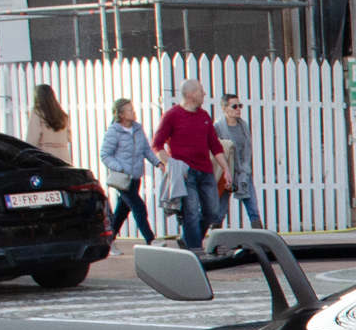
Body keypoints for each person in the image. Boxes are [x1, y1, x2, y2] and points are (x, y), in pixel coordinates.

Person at [153, 78, 225, 251]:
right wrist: (172, 166)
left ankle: (188, 240)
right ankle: (195, 251)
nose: (205, 94)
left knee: (213, 211)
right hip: (186, 173)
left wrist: (226, 170)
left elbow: (215, 145)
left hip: (205, 170)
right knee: (191, 213)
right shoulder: (171, 116)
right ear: (191, 94)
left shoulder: (204, 116)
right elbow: (157, 144)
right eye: (201, 91)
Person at [99, 98, 154, 243]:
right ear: (122, 114)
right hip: (123, 179)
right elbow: (105, 155)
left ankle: (108, 240)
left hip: (135, 178)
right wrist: (120, 168)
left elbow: (146, 149)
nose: (134, 112)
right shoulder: (114, 131)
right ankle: (150, 239)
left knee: (122, 211)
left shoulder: (137, 128)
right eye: (130, 110)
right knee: (139, 207)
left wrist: (158, 162)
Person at [216, 93, 262, 229]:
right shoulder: (217, 127)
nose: (238, 109)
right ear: (225, 109)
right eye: (234, 106)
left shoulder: (243, 126)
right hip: (226, 173)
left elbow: (247, 149)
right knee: (219, 211)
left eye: (240, 106)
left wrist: (245, 169)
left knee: (253, 208)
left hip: (243, 171)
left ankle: (261, 239)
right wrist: (225, 170)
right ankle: (215, 243)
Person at [23, 84, 72, 162]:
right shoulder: (62, 115)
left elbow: (32, 140)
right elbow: (68, 137)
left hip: (46, 157)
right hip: (64, 156)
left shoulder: (38, 113)